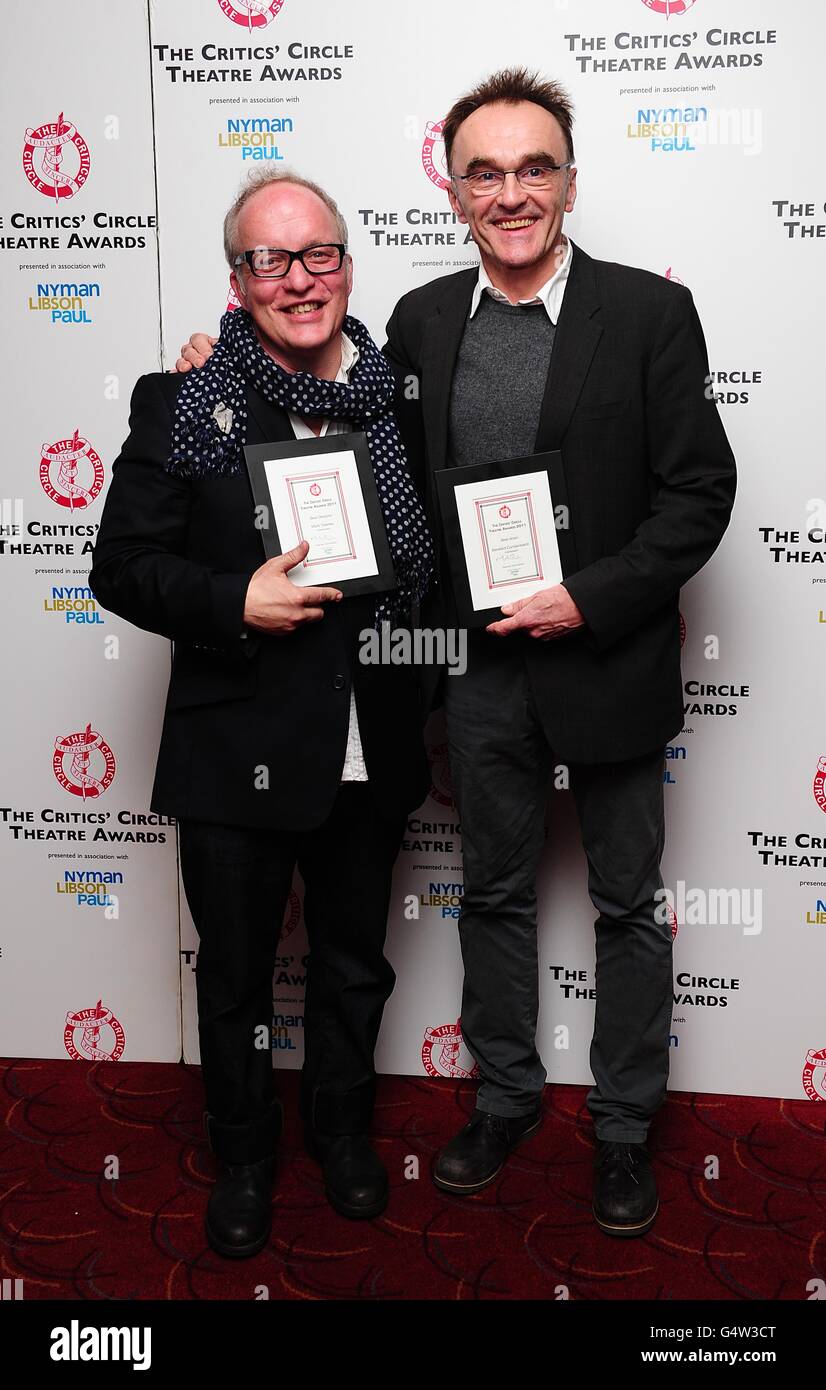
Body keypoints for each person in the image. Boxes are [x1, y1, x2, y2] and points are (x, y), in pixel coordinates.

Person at [178, 68, 737, 1239]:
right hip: (475, 670)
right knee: (492, 893)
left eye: (535, 168)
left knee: (628, 906)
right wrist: (209, 369)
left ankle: (623, 1125)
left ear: (570, 182)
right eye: (485, 172)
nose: (511, 193)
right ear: (453, 192)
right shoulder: (421, 323)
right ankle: (504, 1099)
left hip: (608, 659)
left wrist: (588, 599)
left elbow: (697, 494)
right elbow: (317, 402)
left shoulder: (648, 315)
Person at [89, 169, 433, 1259]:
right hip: (235, 742)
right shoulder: (185, 399)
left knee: (353, 962)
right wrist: (232, 600)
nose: (299, 278)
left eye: (317, 254)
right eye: (270, 259)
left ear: (347, 266)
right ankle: (243, 1155)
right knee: (236, 975)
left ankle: (340, 1132)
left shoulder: (395, 398)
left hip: (368, 740)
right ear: (237, 281)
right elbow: (120, 566)